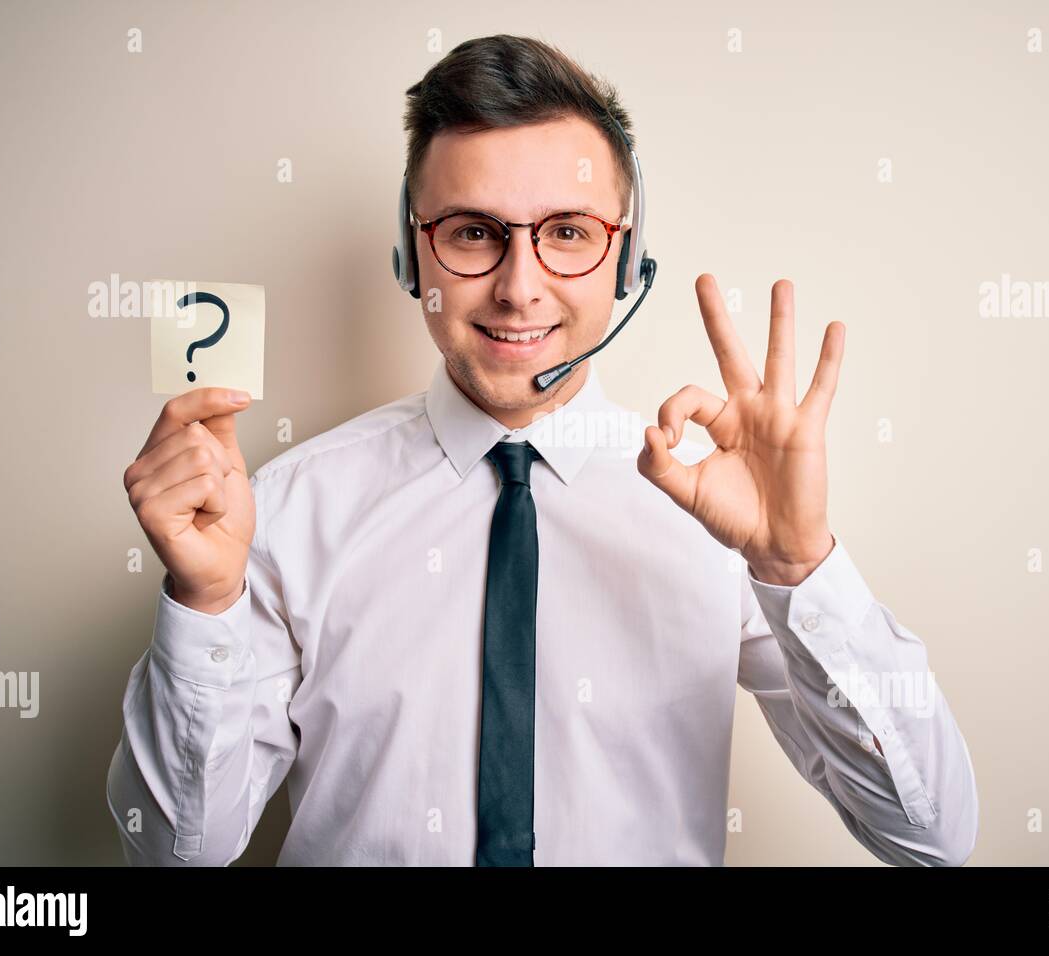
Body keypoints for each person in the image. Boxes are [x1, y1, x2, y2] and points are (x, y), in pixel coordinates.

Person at [107, 34, 977, 866]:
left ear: (626, 257)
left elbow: (929, 836)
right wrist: (205, 601)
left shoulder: (723, 522)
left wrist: (798, 568)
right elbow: (176, 851)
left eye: (566, 232)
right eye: (474, 232)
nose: (520, 290)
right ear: (416, 257)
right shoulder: (290, 506)